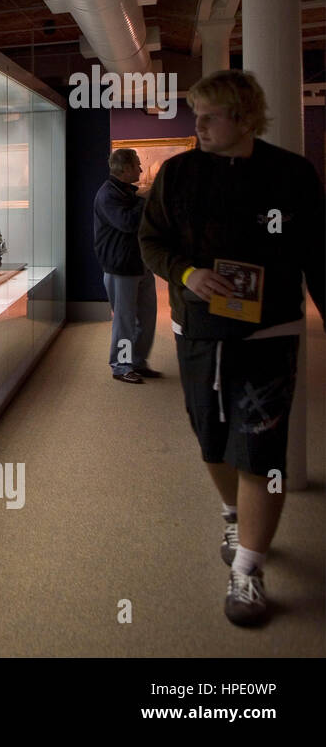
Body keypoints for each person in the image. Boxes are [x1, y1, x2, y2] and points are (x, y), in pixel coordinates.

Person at [138, 69, 325, 627]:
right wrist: (187, 273)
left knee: (262, 451)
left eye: (209, 115)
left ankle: (249, 566)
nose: (197, 124)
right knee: (211, 442)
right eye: (195, 112)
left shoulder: (292, 175)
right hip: (197, 332)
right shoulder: (177, 175)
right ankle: (231, 513)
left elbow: (319, 254)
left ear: (244, 118)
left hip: (269, 335)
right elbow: (151, 241)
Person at [93, 147, 161, 383]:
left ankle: (138, 362)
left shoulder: (125, 193)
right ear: (125, 168)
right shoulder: (107, 195)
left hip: (140, 264)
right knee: (125, 322)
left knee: (147, 317)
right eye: (137, 164)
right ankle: (121, 366)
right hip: (121, 268)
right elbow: (128, 223)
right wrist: (145, 199)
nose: (141, 169)